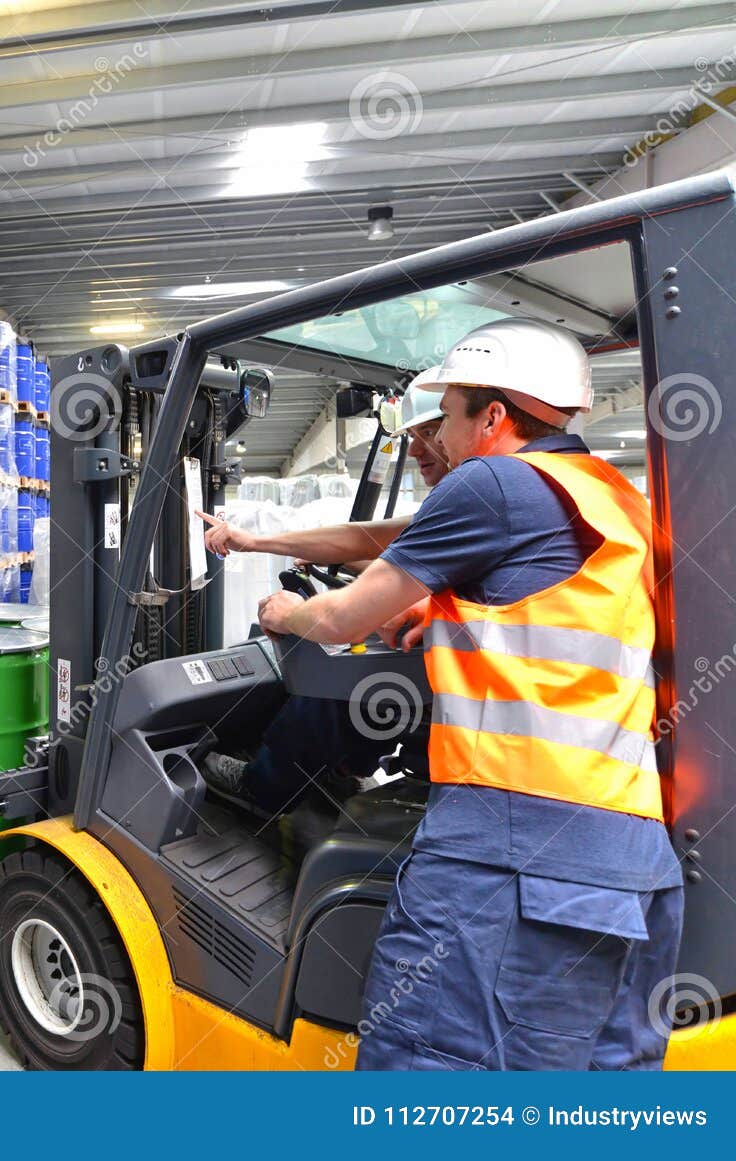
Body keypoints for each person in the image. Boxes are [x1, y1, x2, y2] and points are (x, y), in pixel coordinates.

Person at [250, 317, 680, 1071]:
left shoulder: (493, 480)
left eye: (447, 415)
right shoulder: (614, 495)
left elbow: (344, 615)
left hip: (513, 856)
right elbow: (561, 617)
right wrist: (446, 620)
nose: (439, 437)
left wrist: (289, 615)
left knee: (431, 1076)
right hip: (632, 860)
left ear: (494, 416)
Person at [196, 373, 449, 814]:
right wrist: (256, 542)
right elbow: (363, 540)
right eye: (413, 436)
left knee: (330, 678)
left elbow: (337, 621)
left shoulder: (472, 495)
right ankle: (345, 767)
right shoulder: (457, 502)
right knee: (354, 665)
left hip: (455, 693)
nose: (418, 449)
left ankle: (265, 786)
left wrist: (292, 613)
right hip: (451, 678)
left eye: (429, 433)